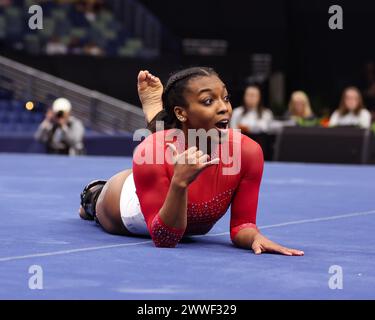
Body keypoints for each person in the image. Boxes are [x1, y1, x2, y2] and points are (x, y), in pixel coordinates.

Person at [78, 68, 304, 255]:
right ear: (182, 112)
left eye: (225, 97)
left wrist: (253, 236)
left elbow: (241, 226)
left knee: (168, 147)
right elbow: (165, 239)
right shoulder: (148, 152)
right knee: (99, 199)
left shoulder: (249, 152)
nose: (224, 107)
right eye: (208, 101)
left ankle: (160, 121)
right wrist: (179, 183)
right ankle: (92, 195)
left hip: (165, 166)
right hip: (130, 204)